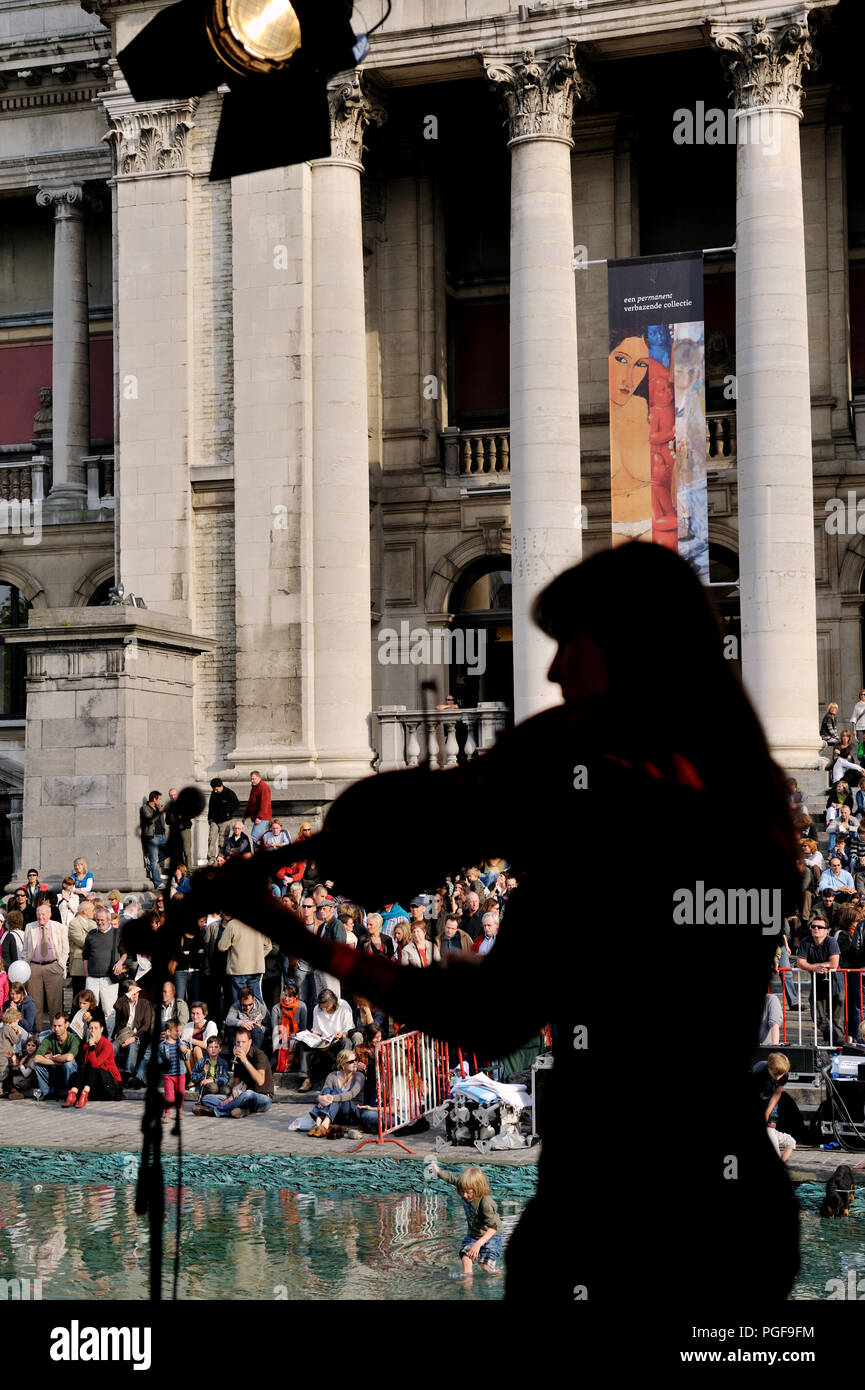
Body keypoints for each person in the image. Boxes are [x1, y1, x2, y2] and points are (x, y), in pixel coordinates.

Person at [177, 543, 804, 1305]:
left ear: (628, 651)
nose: (549, 674)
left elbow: (489, 1018)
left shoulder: (608, 823)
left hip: (613, 1224)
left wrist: (297, 932)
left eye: (570, 644)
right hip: (738, 1218)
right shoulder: (752, 801)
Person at [428, 1162, 504, 1277]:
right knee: (466, 1258)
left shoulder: (485, 1203)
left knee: (485, 1267)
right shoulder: (464, 1188)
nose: (464, 1195)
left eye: (468, 1192)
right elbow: (452, 1179)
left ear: (478, 1189)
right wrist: (438, 1172)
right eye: (462, 1191)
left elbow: (494, 1228)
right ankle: (467, 1289)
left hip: (491, 1236)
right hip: (474, 1233)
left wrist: (478, 1244)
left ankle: (499, 1275)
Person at [193, 1025, 273, 1116]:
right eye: (238, 1042)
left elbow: (260, 1081)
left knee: (248, 1094)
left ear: (250, 1042)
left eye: (243, 1042)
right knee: (207, 1099)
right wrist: (231, 1097)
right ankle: (242, 1110)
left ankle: (215, 1112)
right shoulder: (238, 1058)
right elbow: (236, 1084)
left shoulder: (259, 1055)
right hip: (241, 1096)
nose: (240, 1045)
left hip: (262, 1097)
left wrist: (245, 1061)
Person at [296, 988, 359, 1092]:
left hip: (338, 1040)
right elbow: (316, 1030)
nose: (324, 1009)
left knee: (346, 1042)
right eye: (322, 1007)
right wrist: (309, 1035)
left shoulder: (344, 1006)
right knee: (304, 1043)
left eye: (326, 1007)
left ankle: (341, 1076)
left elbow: (349, 1028)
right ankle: (306, 1079)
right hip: (322, 1041)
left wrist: (342, 1034)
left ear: (333, 1003)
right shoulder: (317, 1008)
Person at [307, 1048, 377, 1136]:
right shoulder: (332, 1076)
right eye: (351, 1061)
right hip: (336, 1113)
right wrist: (320, 1098)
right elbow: (324, 1092)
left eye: (356, 1060)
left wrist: (332, 1098)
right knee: (328, 1091)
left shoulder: (359, 1076)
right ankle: (318, 1124)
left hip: (353, 1112)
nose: (355, 1063)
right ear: (343, 1064)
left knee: (336, 1092)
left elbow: (351, 1094)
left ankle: (324, 1125)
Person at [797, 915, 844, 1045]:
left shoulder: (831, 941)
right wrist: (814, 967)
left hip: (835, 983)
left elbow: (834, 963)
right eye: (813, 926)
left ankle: (838, 1047)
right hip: (818, 983)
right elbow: (800, 962)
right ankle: (833, 1040)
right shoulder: (806, 941)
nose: (816, 929)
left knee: (837, 1020)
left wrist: (818, 966)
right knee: (817, 1017)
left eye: (820, 927)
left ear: (826, 930)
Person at [22, 900, 69, 1030]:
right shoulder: (29, 927)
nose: (40, 917)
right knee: (35, 1003)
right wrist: (26, 965)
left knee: (55, 1003)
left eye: (43, 914)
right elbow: (25, 950)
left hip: (53, 967)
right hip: (34, 967)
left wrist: (61, 965)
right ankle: (36, 1033)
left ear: (49, 914)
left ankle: (56, 1031)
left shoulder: (60, 927)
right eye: (38, 914)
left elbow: (66, 949)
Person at [82, 906, 125, 1036]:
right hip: (92, 978)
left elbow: (124, 953)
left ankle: (110, 1039)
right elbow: (85, 956)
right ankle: (88, 1038)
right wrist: (87, 975)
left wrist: (120, 962)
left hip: (109, 979)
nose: (99, 922)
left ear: (108, 919)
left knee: (109, 1011)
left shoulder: (117, 934)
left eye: (102, 920)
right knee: (88, 1010)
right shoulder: (91, 934)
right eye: (97, 920)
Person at [62, 1017, 123, 1106]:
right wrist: (90, 1046)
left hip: (110, 1080)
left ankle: (84, 1093)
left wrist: (91, 1047)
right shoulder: (87, 1045)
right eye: (91, 1028)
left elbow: (95, 1064)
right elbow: (86, 1063)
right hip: (95, 1077)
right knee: (84, 1068)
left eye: (96, 1028)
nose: (93, 1030)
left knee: (93, 1068)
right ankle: (73, 1094)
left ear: (101, 1029)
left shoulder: (107, 1045)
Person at [751, 1053, 796, 1163]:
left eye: (780, 1075)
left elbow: (777, 1094)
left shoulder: (783, 1075)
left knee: (771, 1124)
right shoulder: (758, 1070)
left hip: (770, 1096)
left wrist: (768, 1112)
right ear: (769, 1068)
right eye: (775, 1074)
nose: (777, 1077)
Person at [218, 915, 270, 1006]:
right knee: (256, 999)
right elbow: (269, 946)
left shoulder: (233, 924)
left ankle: (243, 1020)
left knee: (239, 1002)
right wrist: (256, 957)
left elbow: (222, 947)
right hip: (256, 968)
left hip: (238, 969)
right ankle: (260, 1019)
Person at [32, 1012, 81, 1101]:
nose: (56, 1029)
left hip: (70, 1074)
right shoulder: (50, 1038)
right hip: (56, 1072)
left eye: (59, 1025)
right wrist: (58, 1062)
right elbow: (37, 1058)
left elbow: (69, 1057)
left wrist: (52, 1057)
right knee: (37, 1064)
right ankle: (48, 1092)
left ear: (67, 1025)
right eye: (54, 1026)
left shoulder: (74, 1039)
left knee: (68, 1064)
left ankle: (69, 1092)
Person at [113, 980, 152, 1083]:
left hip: (136, 1035)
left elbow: (146, 1025)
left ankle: (128, 1074)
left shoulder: (145, 1003)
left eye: (137, 991)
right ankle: (107, 1071)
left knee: (133, 1045)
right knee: (113, 1047)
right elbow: (116, 1006)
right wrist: (127, 996)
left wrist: (135, 1037)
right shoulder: (123, 1003)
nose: (135, 994)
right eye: (132, 992)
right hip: (122, 1035)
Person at [159, 1017, 190, 1119]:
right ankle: (167, 1113)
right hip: (168, 1075)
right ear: (168, 1032)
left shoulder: (181, 1044)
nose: (179, 1033)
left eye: (180, 1030)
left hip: (180, 1074)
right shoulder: (163, 1046)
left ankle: (179, 1110)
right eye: (177, 1031)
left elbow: (187, 1057)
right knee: (169, 1096)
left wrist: (185, 1052)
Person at [271, 981, 307, 1070]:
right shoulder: (276, 1008)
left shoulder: (302, 1007)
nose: (286, 998)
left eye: (290, 996)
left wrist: (294, 1035)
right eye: (285, 995)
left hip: (296, 1037)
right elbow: (275, 1028)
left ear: (296, 997)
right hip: (280, 1037)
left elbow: (303, 1027)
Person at [207, 778, 242, 863]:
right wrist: (209, 818)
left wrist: (229, 812)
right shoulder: (213, 793)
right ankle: (211, 858)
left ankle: (221, 857)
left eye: (216, 789)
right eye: (214, 789)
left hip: (225, 820)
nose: (215, 791)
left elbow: (237, 804)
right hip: (214, 820)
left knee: (222, 840)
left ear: (221, 786)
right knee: (211, 838)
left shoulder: (229, 793)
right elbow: (210, 806)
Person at [224, 987, 268, 1052]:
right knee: (230, 1027)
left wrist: (261, 1027)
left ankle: (252, 1056)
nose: (248, 1007)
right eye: (244, 1005)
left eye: (250, 1004)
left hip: (255, 1036)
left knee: (257, 1030)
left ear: (253, 999)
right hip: (240, 1033)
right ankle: (234, 1056)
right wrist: (241, 1023)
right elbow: (228, 1020)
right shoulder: (236, 1006)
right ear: (240, 1001)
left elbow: (269, 1027)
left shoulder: (262, 1008)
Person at [140, 790, 168, 889]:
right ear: (154, 799)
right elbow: (149, 819)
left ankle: (151, 861)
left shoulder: (158, 807)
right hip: (152, 836)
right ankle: (158, 883)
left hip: (162, 835)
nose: (160, 801)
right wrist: (159, 811)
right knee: (155, 860)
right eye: (159, 799)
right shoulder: (145, 808)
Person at [165, 787, 194, 869]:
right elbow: (167, 821)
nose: (173, 797)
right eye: (171, 795)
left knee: (186, 851)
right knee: (178, 852)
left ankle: (189, 871)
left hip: (185, 829)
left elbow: (191, 815)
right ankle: (181, 871)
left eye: (174, 795)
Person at [6, 1034, 40, 1098]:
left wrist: (21, 1064)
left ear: (37, 1047)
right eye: (28, 1045)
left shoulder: (34, 1058)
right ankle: (14, 1091)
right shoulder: (27, 1055)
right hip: (25, 1078)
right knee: (8, 1075)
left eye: (33, 1046)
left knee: (11, 1080)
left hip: (30, 1080)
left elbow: (26, 1074)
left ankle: (15, 1092)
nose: (30, 1047)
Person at [245, 771, 273, 849]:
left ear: (259, 778)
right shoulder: (254, 788)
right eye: (251, 779)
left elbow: (265, 804)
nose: (252, 781)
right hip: (257, 817)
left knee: (255, 835)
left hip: (263, 817)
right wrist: (244, 816)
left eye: (253, 779)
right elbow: (250, 803)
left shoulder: (263, 787)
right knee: (260, 837)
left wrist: (259, 817)